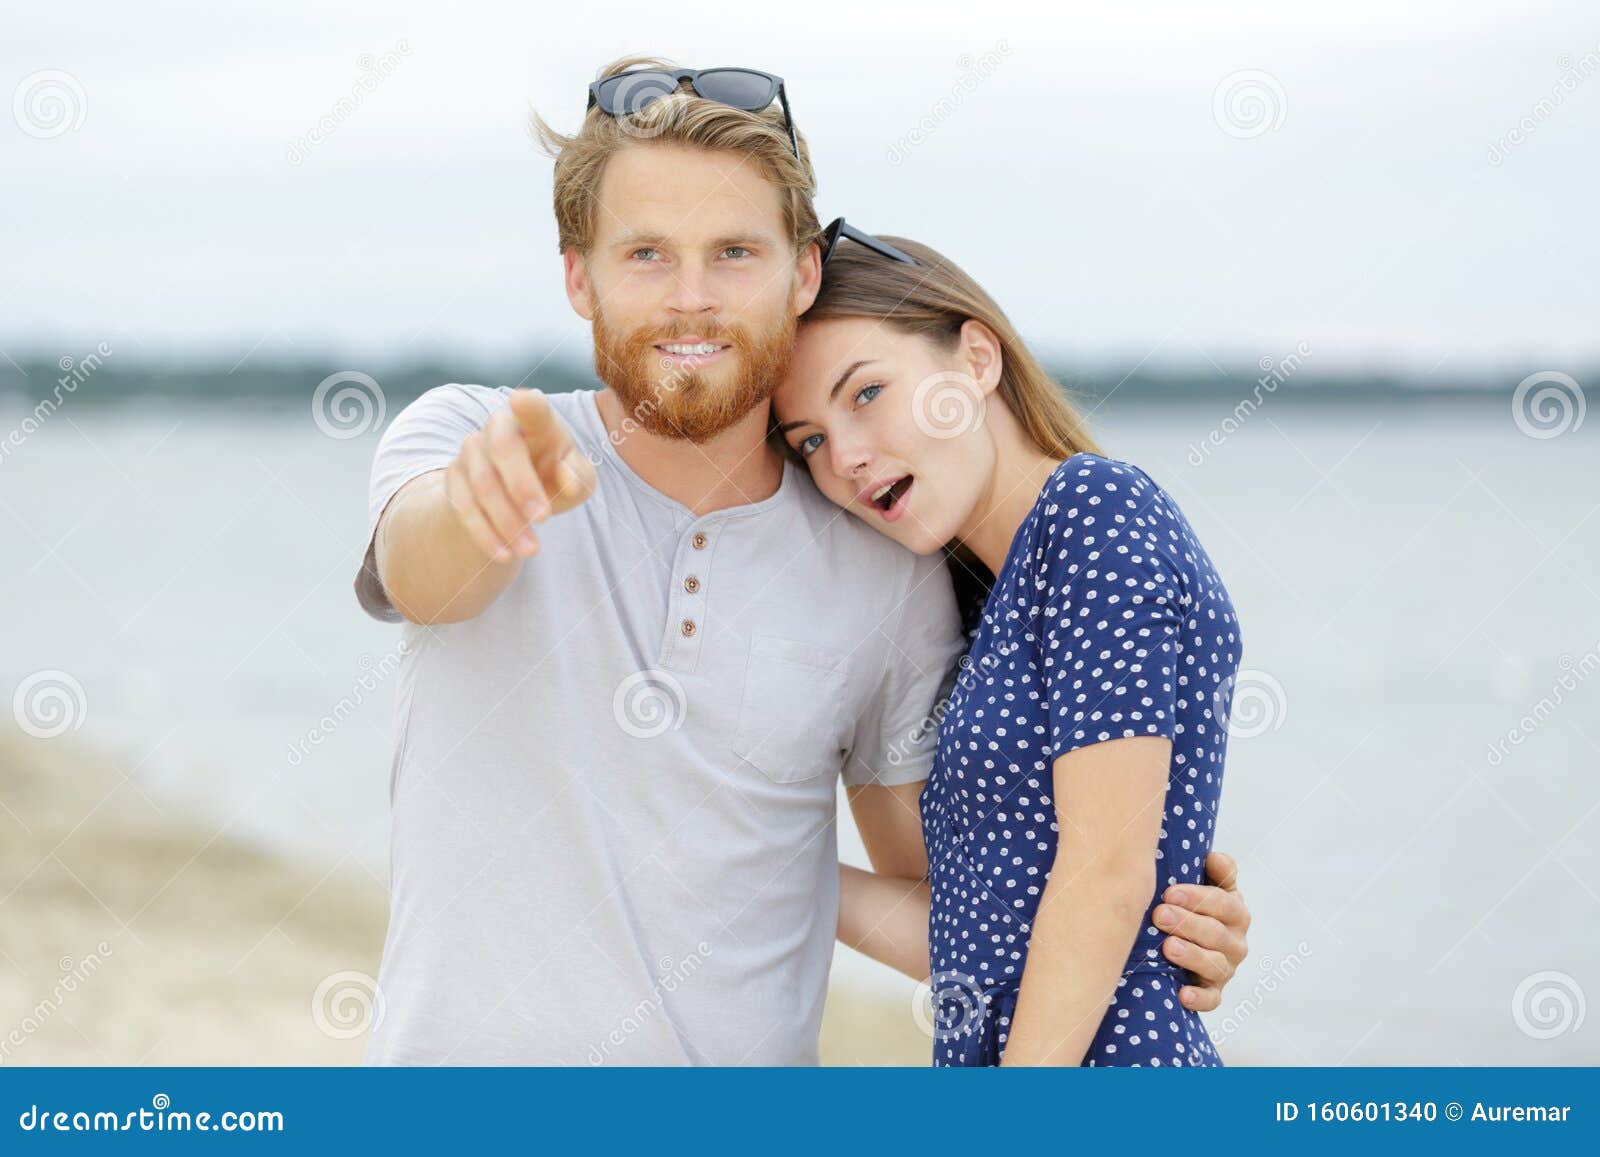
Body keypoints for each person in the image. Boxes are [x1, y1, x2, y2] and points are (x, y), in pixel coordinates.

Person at [352, 56, 1251, 1065]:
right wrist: (486, 506)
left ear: (801, 273)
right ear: (578, 276)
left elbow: (960, 904)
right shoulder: (470, 438)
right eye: (645, 252)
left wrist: (1152, 921)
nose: (691, 298)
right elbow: (429, 575)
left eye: (734, 251)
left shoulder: (890, 568)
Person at [773, 231, 1245, 1066]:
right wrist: (761, 870)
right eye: (809, 439)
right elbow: (974, 937)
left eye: (868, 393)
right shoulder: (988, 603)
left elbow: (1104, 876)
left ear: (978, 358)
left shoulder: (1094, 513)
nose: (843, 457)